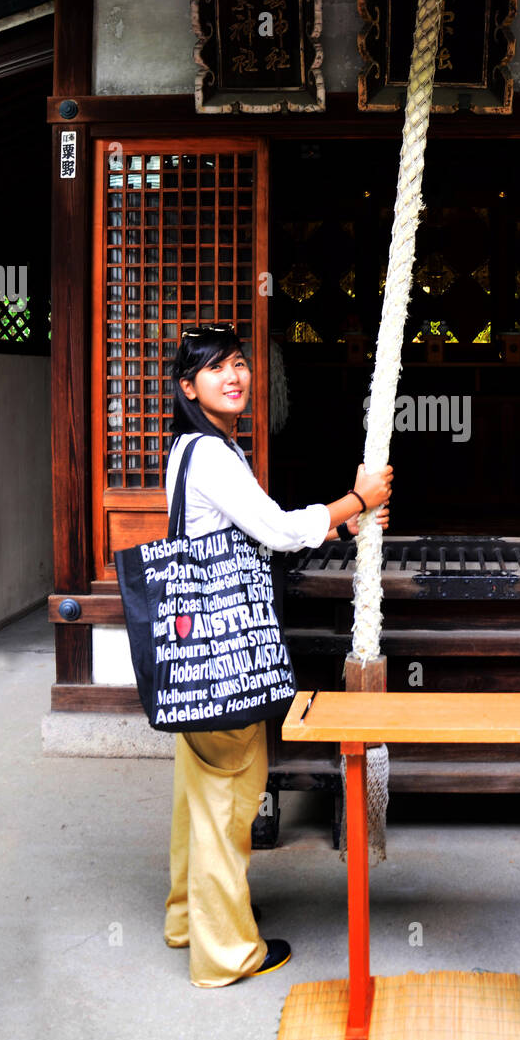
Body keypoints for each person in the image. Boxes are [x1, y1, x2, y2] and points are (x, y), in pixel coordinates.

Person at [163, 323, 392, 987]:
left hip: (191, 648)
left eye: (239, 365)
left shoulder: (189, 449)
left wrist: (343, 521)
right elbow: (276, 530)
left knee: (195, 795)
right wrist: (358, 499)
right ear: (188, 387)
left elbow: (257, 530)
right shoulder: (211, 454)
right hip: (223, 652)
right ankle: (225, 955)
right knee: (228, 800)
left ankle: (188, 919)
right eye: (215, 370)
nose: (233, 377)